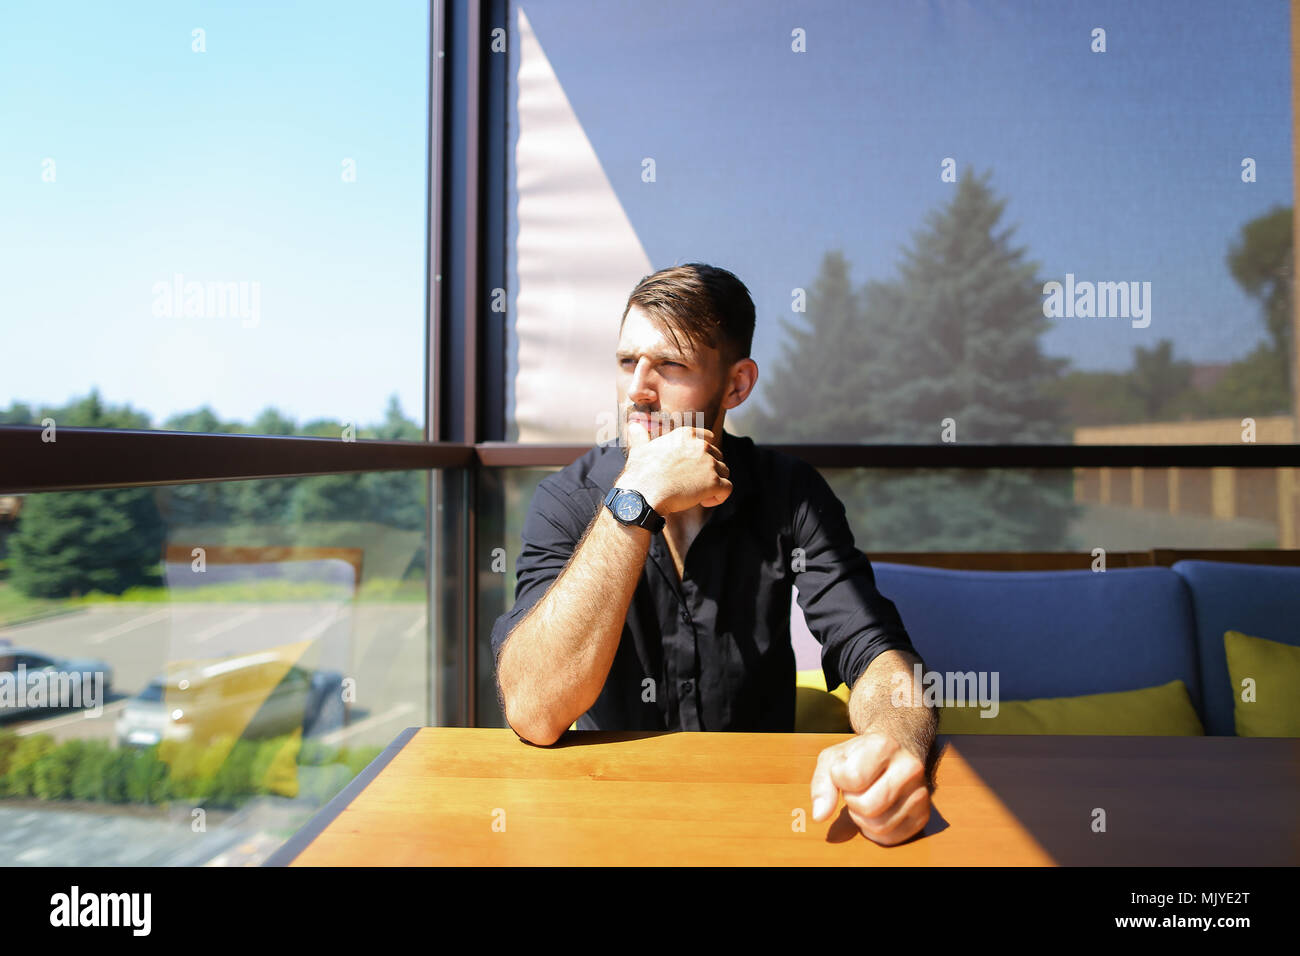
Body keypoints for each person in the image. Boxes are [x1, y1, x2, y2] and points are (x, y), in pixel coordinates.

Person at [491, 263, 940, 846]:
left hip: (761, 818)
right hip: (604, 819)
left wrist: (895, 741)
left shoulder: (790, 494)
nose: (637, 390)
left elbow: (875, 651)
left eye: (670, 366)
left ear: (736, 385)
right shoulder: (567, 499)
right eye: (628, 362)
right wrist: (638, 498)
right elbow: (533, 708)